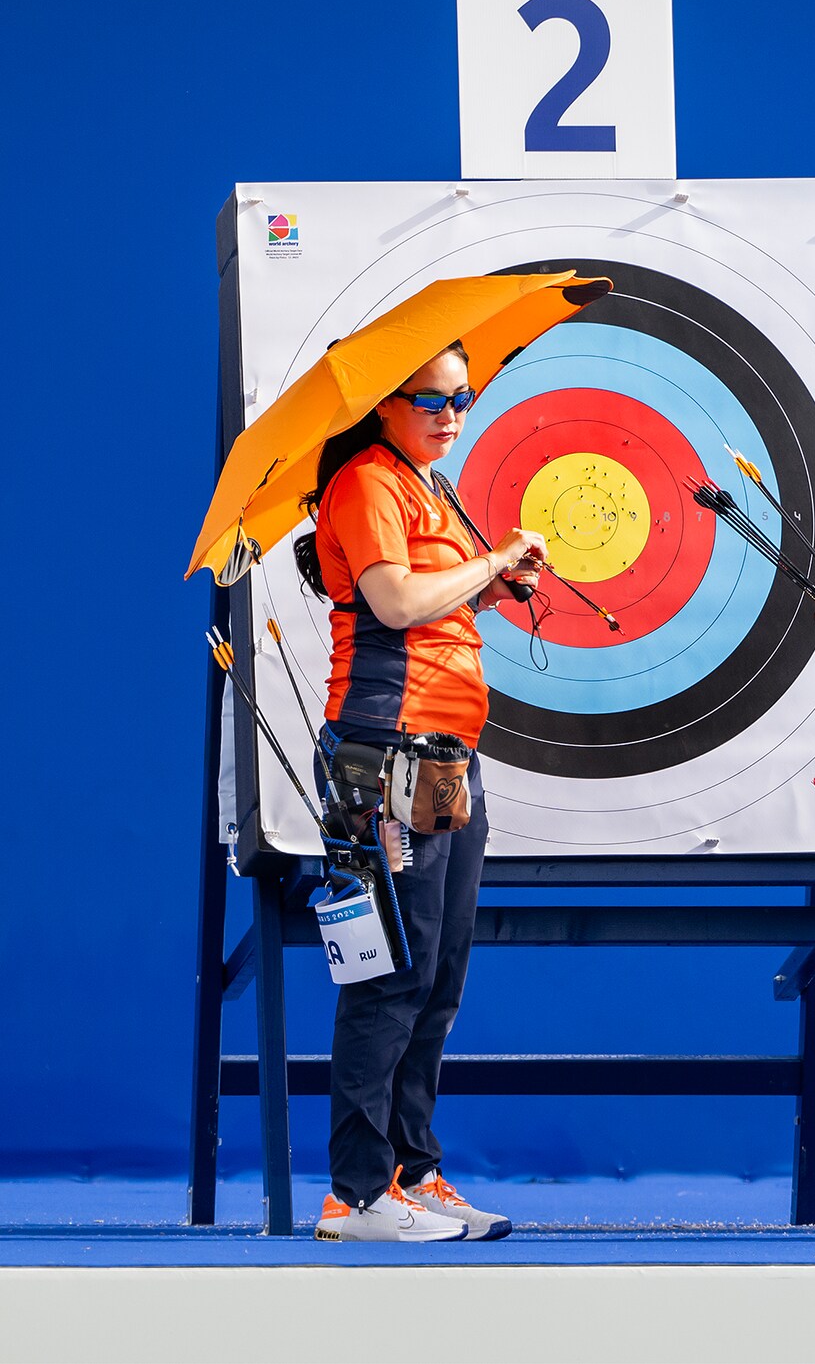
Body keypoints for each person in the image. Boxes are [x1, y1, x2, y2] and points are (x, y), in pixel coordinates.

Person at [307, 342, 546, 1244]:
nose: (452, 415)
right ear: (382, 404)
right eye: (430, 400)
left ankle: (410, 1170)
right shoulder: (369, 481)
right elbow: (397, 603)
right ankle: (357, 1196)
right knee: (390, 973)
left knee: (438, 975)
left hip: (445, 754)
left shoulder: (427, 483)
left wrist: (491, 587)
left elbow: (430, 608)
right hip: (386, 751)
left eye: (463, 398)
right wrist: (492, 567)